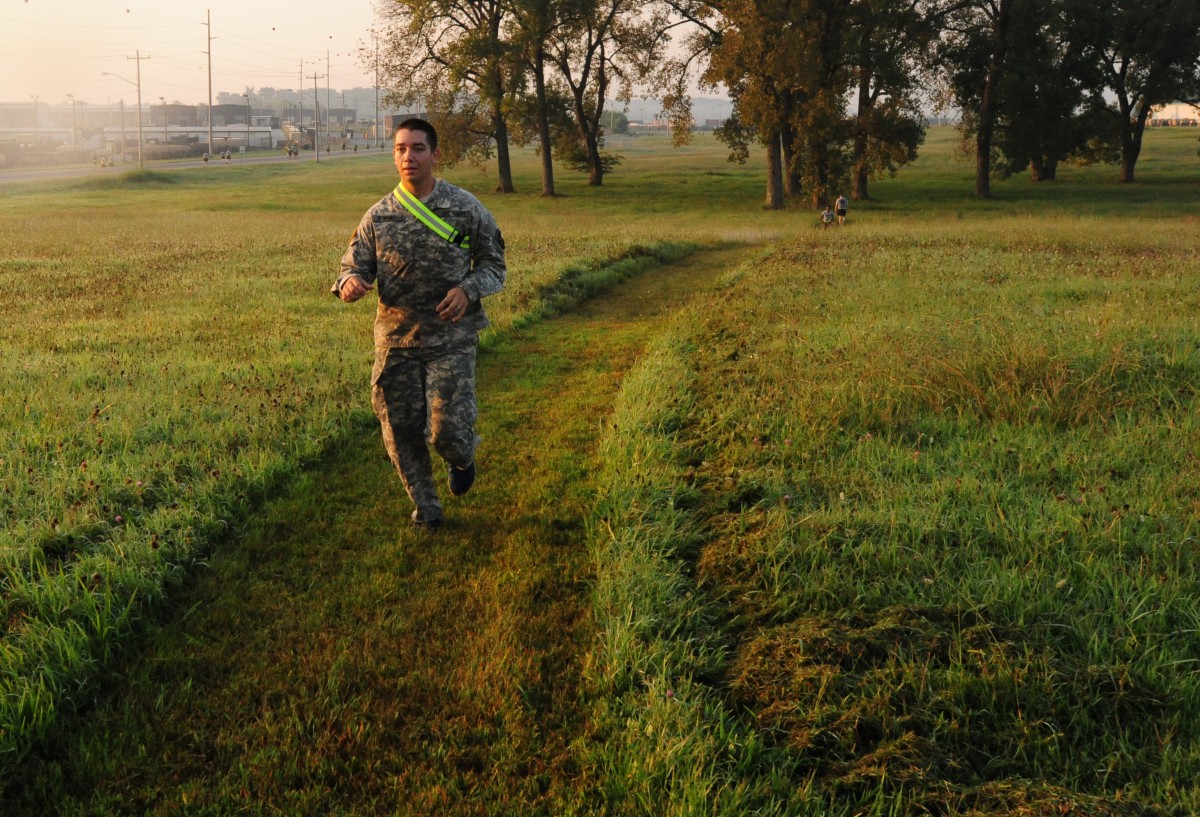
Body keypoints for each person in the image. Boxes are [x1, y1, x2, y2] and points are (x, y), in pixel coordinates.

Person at [332, 118, 507, 532]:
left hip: (451, 339)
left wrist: (467, 290)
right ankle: (426, 509)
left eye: (418, 148)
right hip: (396, 344)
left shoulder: (464, 207)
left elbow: (493, 265)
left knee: (447, 430)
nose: (409, 157)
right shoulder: (378, 216)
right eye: (401, 149)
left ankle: (463, 458)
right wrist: (350, 283)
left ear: (435, 154)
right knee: (400, 430)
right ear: (394, 155)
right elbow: (350, 267)